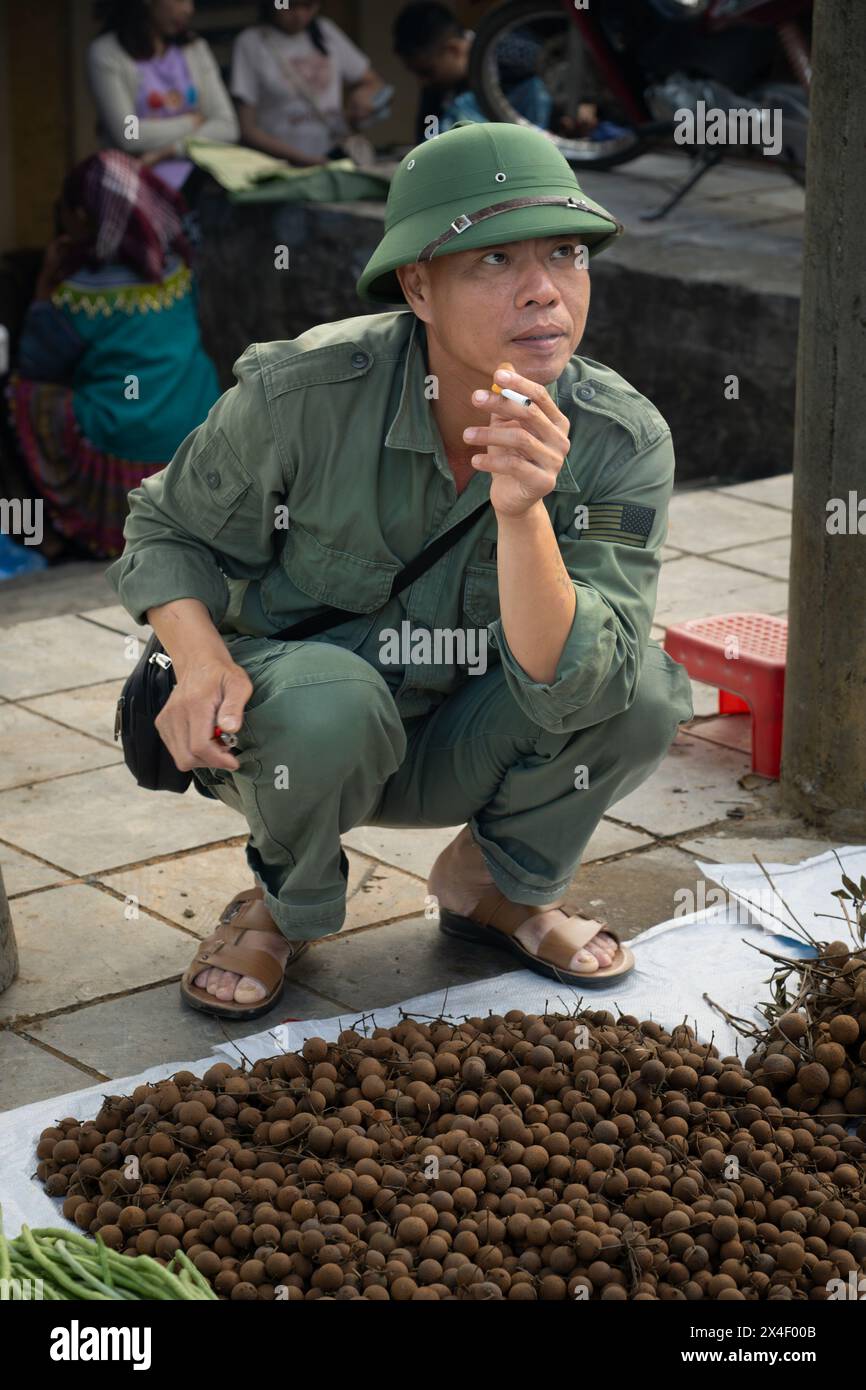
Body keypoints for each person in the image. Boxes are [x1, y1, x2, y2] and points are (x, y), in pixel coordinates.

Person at [106, 120, 694, 1021]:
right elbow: (163, 529)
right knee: (331, 705)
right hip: (299, 729)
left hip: (468, 733)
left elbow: (583, 684)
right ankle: (282, 906)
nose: (545, 291)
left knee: (643, 688)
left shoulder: (620, 438)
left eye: (567, 253)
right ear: (418, 287)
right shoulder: (303, 395)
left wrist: (522, 511)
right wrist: (197, 659)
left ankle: (494, 884)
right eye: (494, 262)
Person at [7, 151, 220, 559]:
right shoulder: (177, 267)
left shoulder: (78, 293)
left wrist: (43, 289)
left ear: (82, 218)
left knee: (24, 393)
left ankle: (60, 529)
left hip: (125, 439)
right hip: (196, 430)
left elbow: (38, 364)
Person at [88, 0, 238, 193]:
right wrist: (191, 123)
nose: (188, 9)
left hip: (199, 185)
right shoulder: (108, 53)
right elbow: (130, 134)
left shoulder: (194, 48)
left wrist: (172, 150)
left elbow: (227, 126)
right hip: (135, 191)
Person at [231, 1, 387, 167]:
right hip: (279, 165)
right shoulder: (251, 42)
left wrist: (364, 98)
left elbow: (373, 82)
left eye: (308, 6)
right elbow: (247, 128)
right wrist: (302, 159)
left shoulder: (325, 31)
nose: (299, 15)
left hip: (332, 154)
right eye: (289, 6)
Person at [393, 0, 552, 141]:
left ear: (454, 50)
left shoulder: (515, 53)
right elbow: (426, 142)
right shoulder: (436, 90)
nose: (422, 82)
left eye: (426, 72)